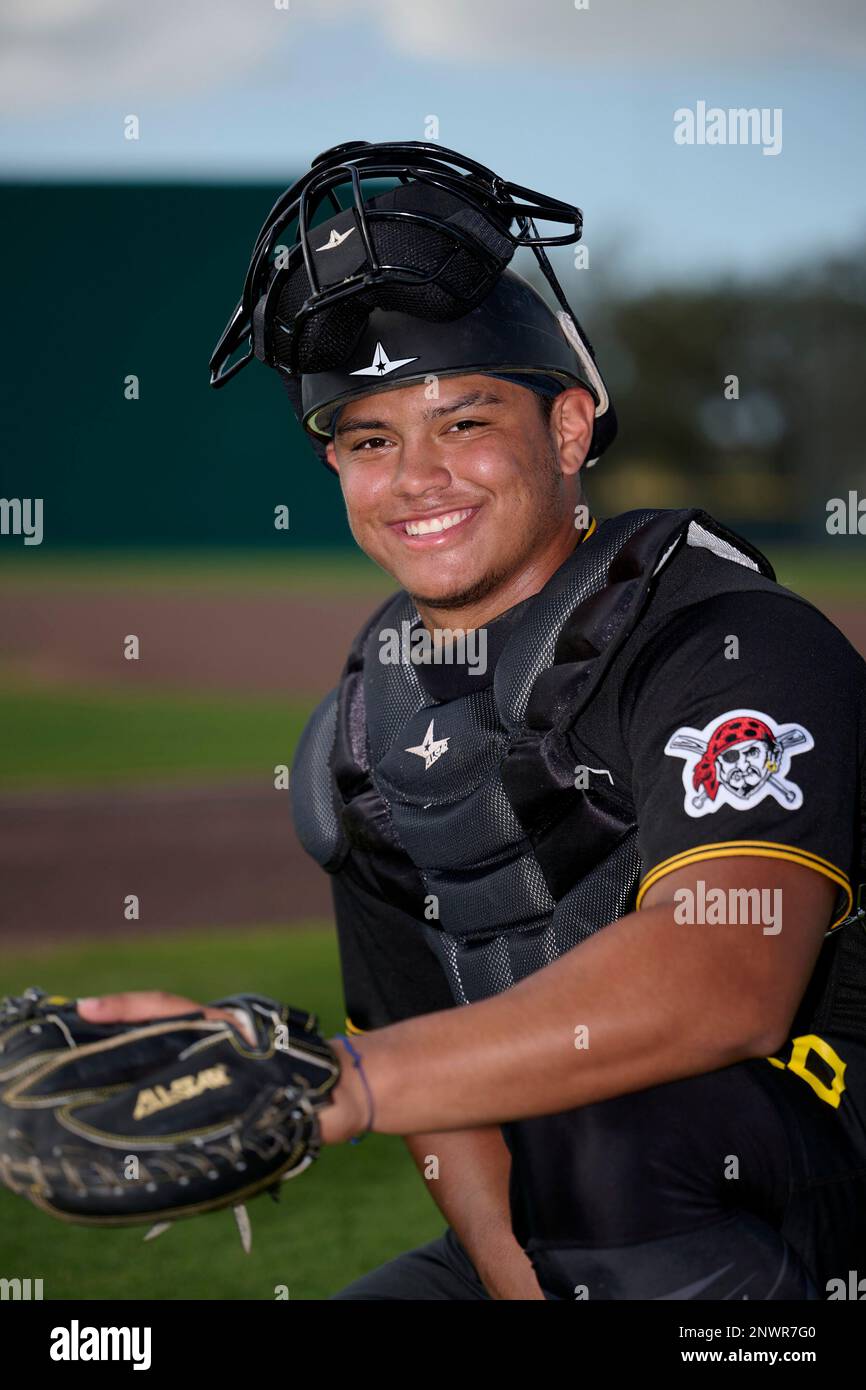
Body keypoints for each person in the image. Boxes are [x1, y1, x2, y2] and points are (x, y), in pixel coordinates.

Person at [81, 141, 866, 1300]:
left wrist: (336, 1079)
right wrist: (511, 1283)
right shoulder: (361, 741)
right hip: (592, 1237)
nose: (414, 479)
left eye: (462, 423)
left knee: (605, 1112)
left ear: (563, 431)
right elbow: (442, 1087)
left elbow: (719, 980)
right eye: (368, 441)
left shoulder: (726, 642)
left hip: (810, 1197)